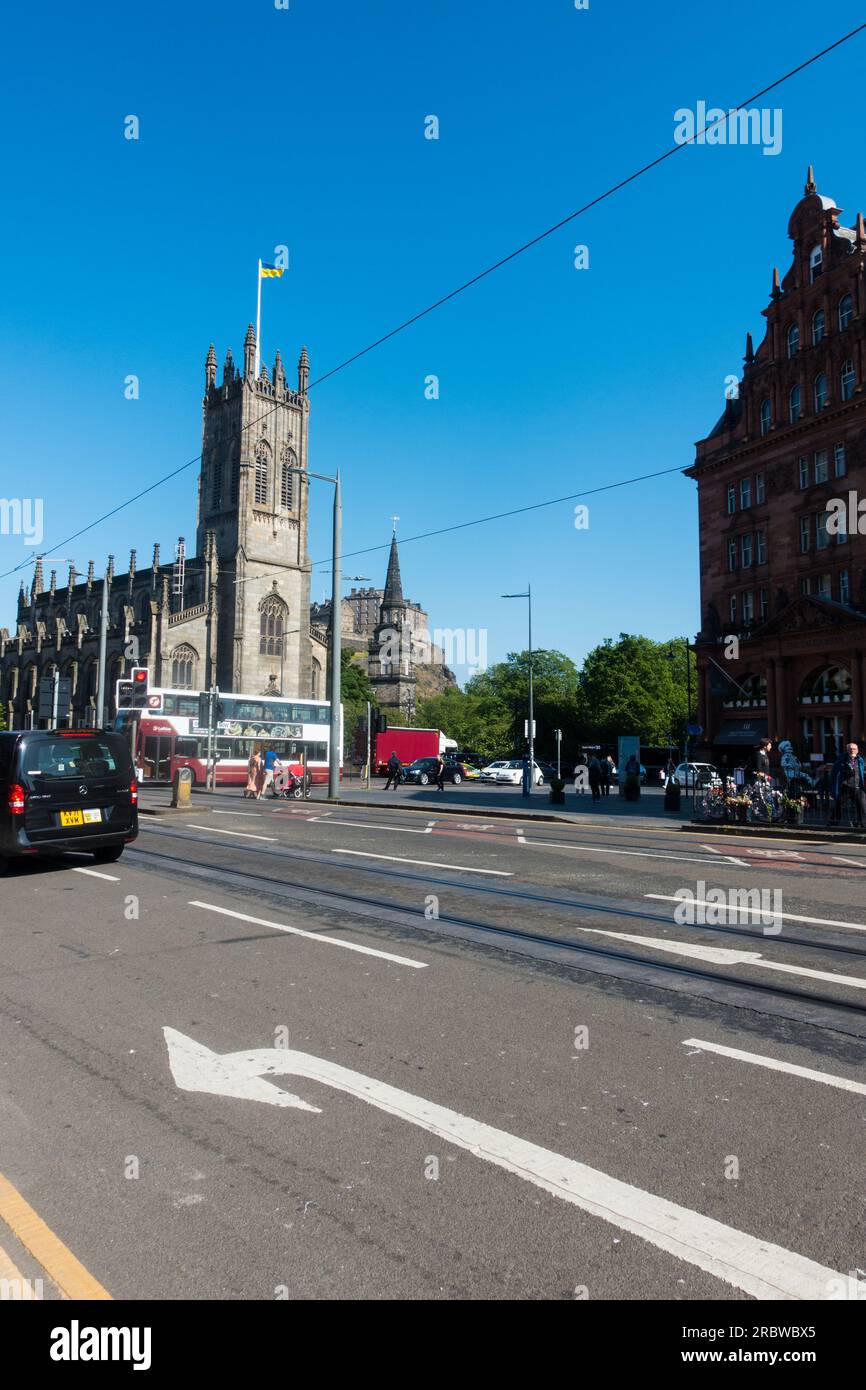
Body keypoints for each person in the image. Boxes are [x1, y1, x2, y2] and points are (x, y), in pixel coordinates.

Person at [831, 741, 866, 828]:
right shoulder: (841, 760)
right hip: (845, 787)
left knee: (863, 806)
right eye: (850, 749)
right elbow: (834, 772)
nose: (852, 751)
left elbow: (862, 772)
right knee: (838, 806)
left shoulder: (860, 760)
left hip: (857, 786)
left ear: (857, 750)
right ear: (847, 750)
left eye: (854, 749)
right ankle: (832, 823)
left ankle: (862, 824)